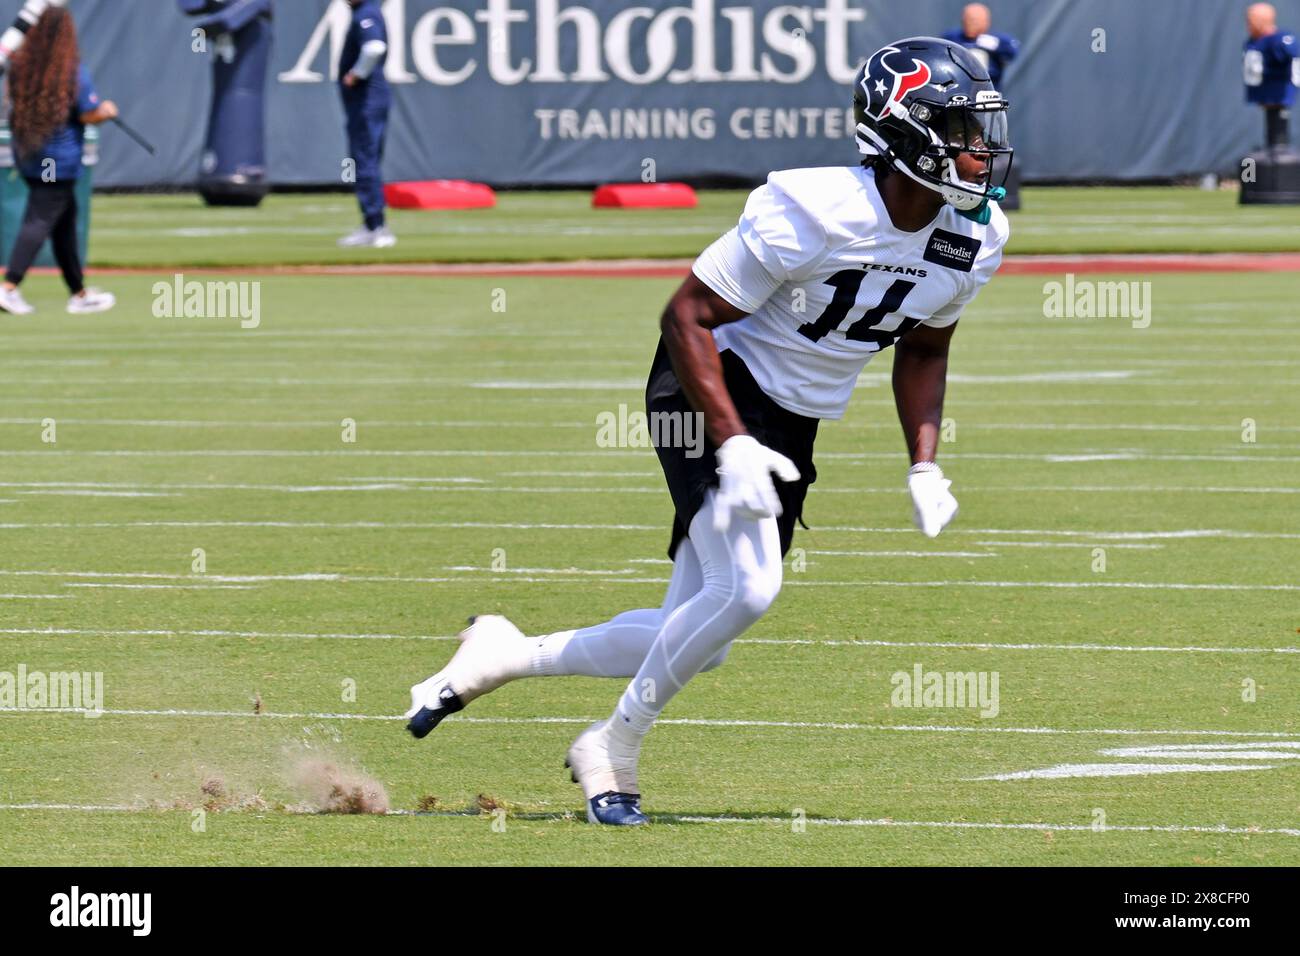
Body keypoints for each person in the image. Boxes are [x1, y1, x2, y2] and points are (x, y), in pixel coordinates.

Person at [403, 37, 1012, 825]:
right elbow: (686, 315)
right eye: (961, 131)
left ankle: (505, 654)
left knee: (704, 631)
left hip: (792, 418)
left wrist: (924, 466)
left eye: (982, 131)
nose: (979, 152)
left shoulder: (974, 236)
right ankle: (613, 748)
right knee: (749, 588)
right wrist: (729, 439)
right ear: (902, 132)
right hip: (712, 384)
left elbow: (925, 347)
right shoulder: (818, 207)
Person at [0, 5, 116, 316]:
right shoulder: (72, 71)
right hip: (58, 162)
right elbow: (88, 113)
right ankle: (9, 286)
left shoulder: (22, 68)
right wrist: (105, 112)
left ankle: (78, 293)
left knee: (64, 223)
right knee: (40, 218)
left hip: (29, 157)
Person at [337, 0, 394, 248]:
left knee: (364, 161)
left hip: (366, 100)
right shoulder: (367, 11)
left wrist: (356, 74)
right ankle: (372, 224)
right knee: (366, 160)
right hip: (369, 100)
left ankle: (376, 226)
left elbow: (374, 47)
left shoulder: (366, 12)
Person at [1243, 2, 1298, 148]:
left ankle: (1279, 153)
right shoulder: (1254, 41)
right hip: (1265, 94)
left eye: (1251, 20)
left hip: (1277, 94)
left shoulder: (1279, 41)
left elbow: (1294, 55)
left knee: (1278, 134)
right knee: (1270, 133)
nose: (1248, 24)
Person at [942, 3, 1019, 88]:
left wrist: (996, 46)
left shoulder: (997, 40)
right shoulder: (952, 37)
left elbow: (1012, 53)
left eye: (974, 20)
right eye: (967, 19)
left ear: (986, 22)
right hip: (959, 86)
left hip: (989, 87)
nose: (970, 23)